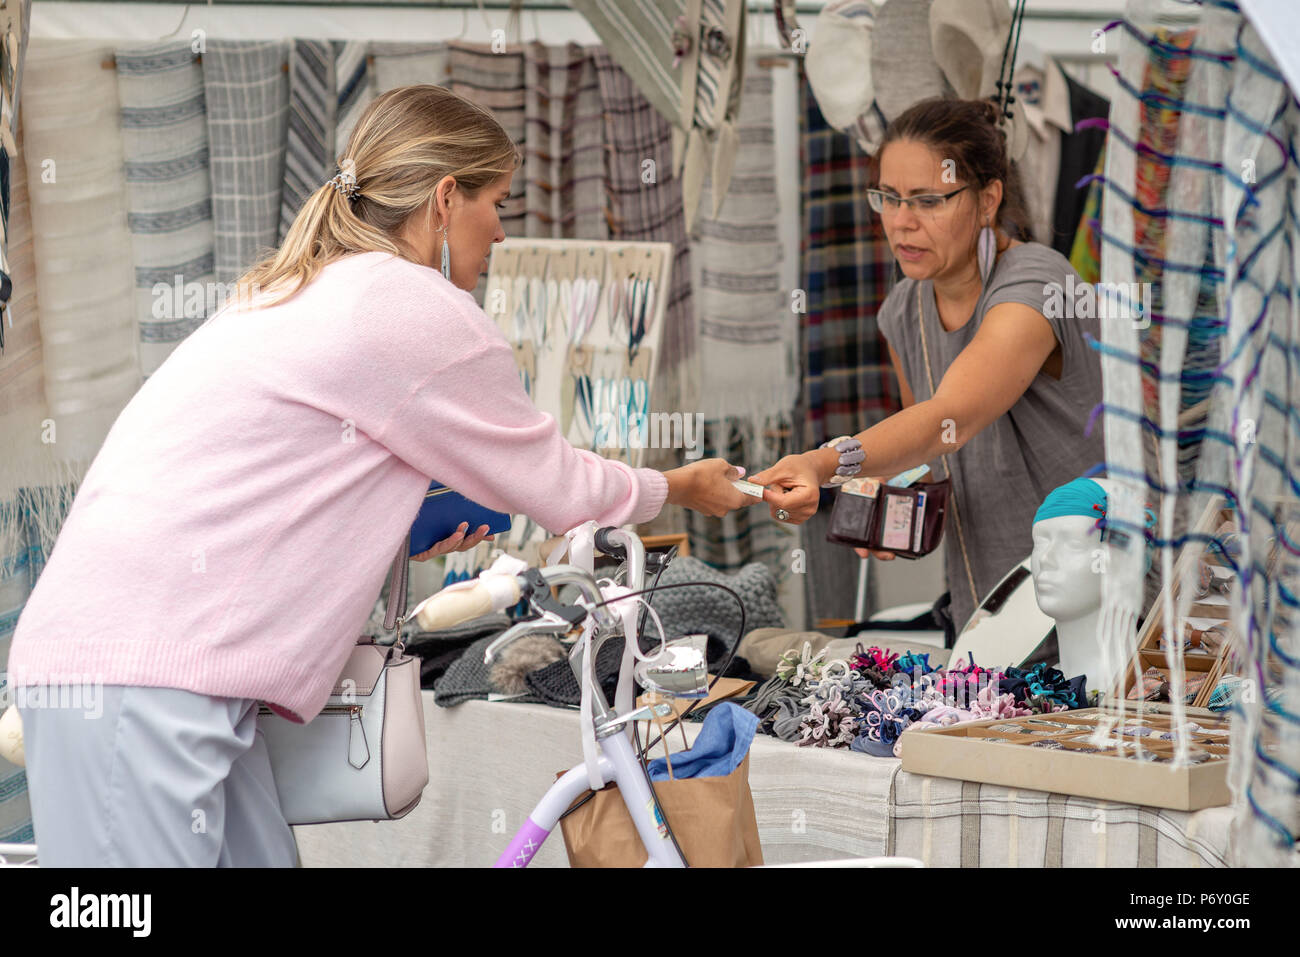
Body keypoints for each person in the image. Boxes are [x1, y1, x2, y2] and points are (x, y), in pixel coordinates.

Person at [7, 85, 749, 867]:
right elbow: (560, 487)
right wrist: (683, 486)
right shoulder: (407, 304)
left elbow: (270, 489)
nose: (502, 227)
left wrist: (387, 530)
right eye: (496, 200)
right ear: (443, 198)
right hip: (141, 674)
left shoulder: (298, 289)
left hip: (153, 665)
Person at [755, 97, 1104, 634]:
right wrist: (890, 499)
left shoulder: (1039, 283)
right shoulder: (903, 310)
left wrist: (825, 463)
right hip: (987, 619)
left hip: (1095, 607)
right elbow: (937, 451)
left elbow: (953, 416)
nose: (901, 222)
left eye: (927, 200)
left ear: (987, 200)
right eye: (889, 198)